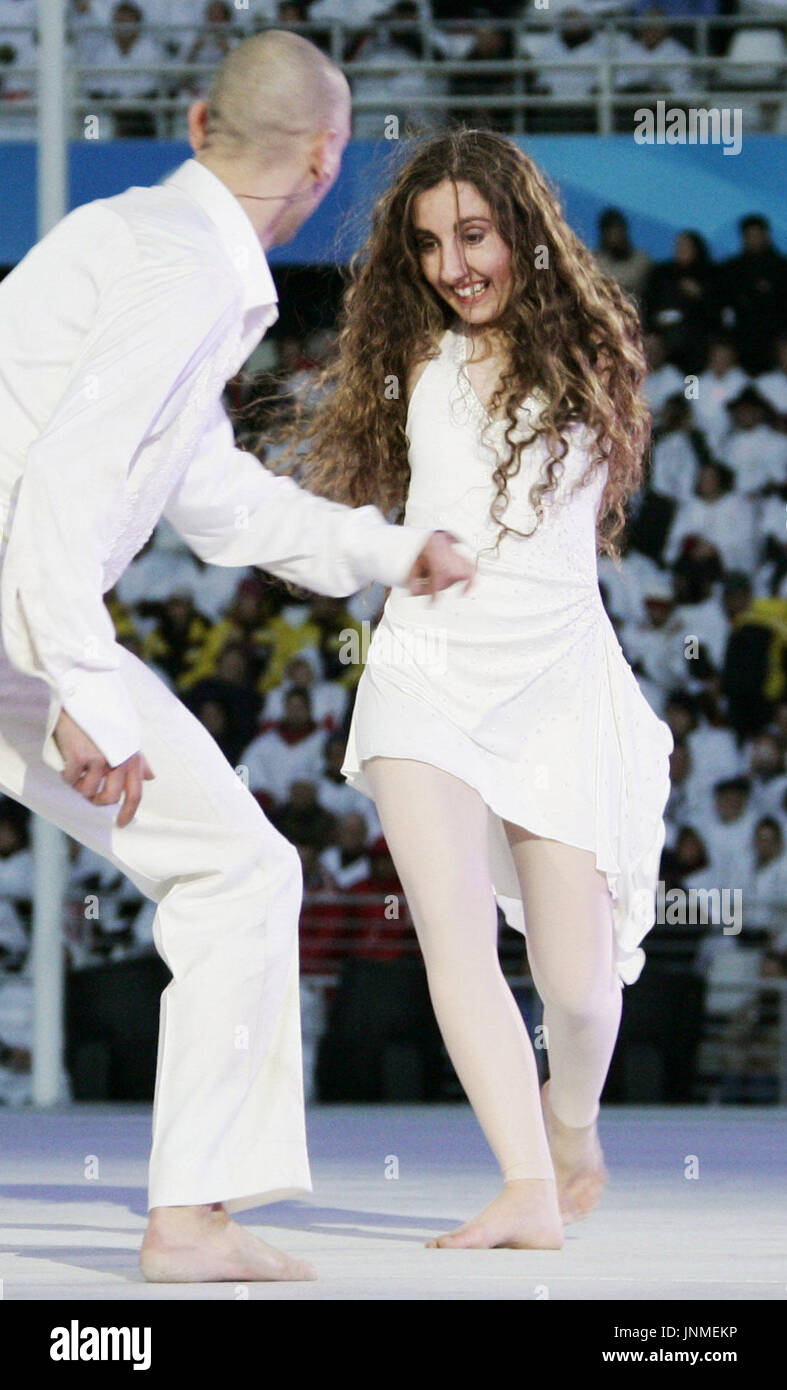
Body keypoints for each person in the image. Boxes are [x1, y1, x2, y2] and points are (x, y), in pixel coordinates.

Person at [0, 31, 472, 1283]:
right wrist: (85, 697)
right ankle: (191, 1214)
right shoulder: (185, 271)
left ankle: (196, 1209)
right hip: (16, 613)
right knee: (237, 874)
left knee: (236, 871)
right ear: (326, 161)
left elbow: (212, 500)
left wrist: (385, 549)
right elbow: (58, 489)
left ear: (202, 120)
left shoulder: (143, 242)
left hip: (16, 617)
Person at [280, 127, 674, 1249]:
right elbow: (380, 512)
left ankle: (567, 1122)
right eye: (428, 244)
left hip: (555, 675)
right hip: (425, 670)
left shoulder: (590, 350)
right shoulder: (409, 363)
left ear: (521, 232)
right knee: (452, 940)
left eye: (475, 233)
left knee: (583, 992)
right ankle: (525, 1192)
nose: (455, 264)